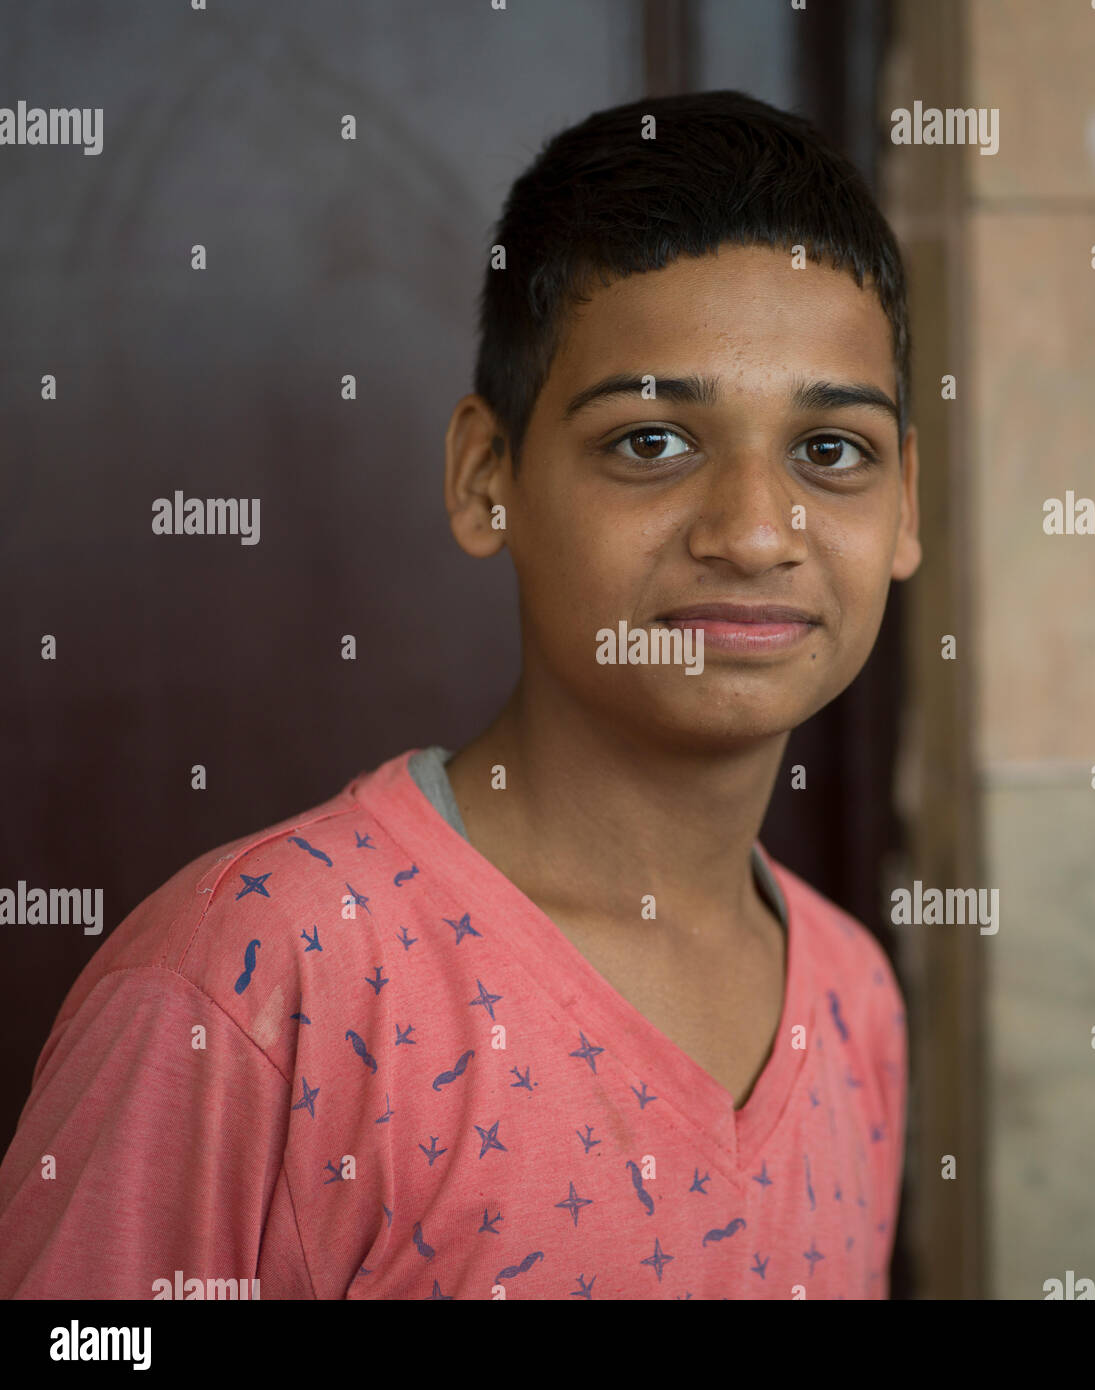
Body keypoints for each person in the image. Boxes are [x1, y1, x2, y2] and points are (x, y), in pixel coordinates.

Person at [0, 89, 920, 1300]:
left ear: (905, 510)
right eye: (651, 440)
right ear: (488, 477)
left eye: (831, 450)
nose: (755, 530)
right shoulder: (258, 978)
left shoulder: (855, 1000)